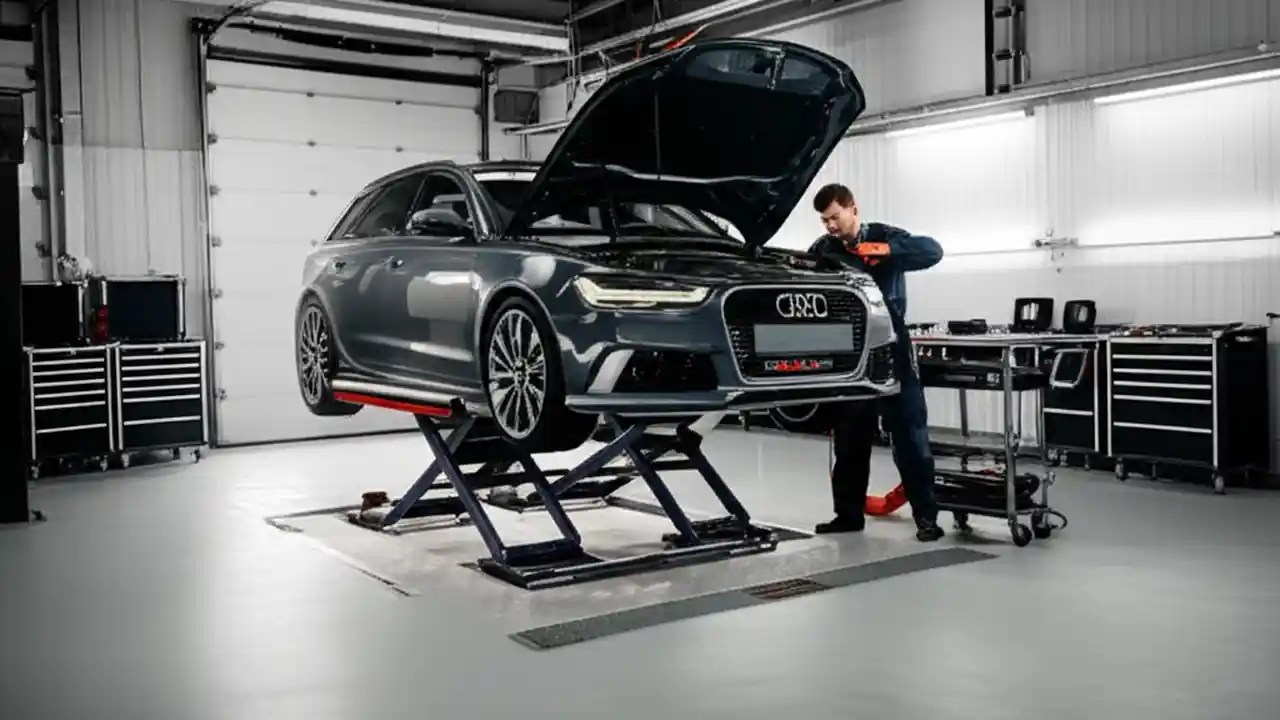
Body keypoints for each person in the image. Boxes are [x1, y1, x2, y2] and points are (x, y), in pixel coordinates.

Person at [806, 183, 945, 542]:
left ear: (853, 208)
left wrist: (886, 251)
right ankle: (848, 516)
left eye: (835, 217)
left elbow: (933, 251)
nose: (831, 227)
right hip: (851, 355)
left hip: (892, 349)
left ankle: (926, 519)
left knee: (910, 436)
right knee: (850, 440)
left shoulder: (884, 235)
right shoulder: (824, 249)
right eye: (824, 221)